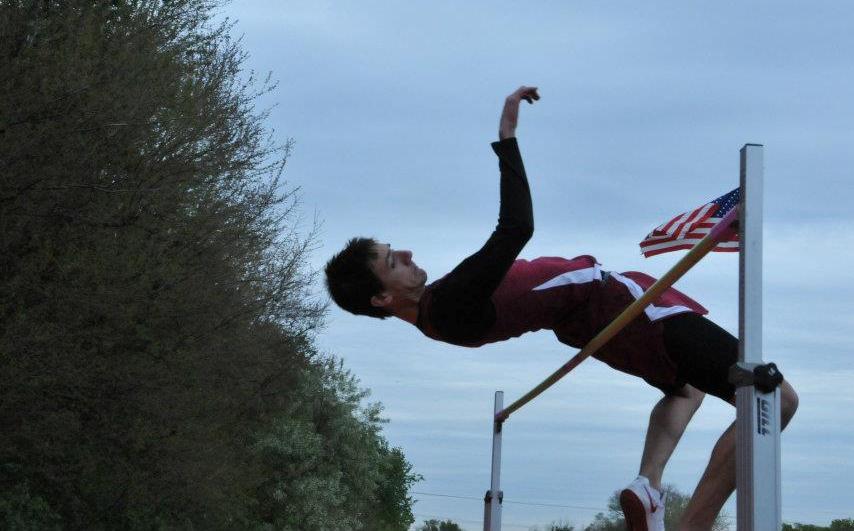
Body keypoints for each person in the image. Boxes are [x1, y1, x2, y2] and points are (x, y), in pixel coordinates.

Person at [324, 86, 798, 531]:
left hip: (595, 325)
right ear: (382, 298)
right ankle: (694, 524)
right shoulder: (448, 304)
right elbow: (516, 228)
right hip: (617, 306)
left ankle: (648, 487)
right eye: (393, 261)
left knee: (686, 389)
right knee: (775, 398)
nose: (406, 253)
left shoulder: (436, 314)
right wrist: (507, 140)